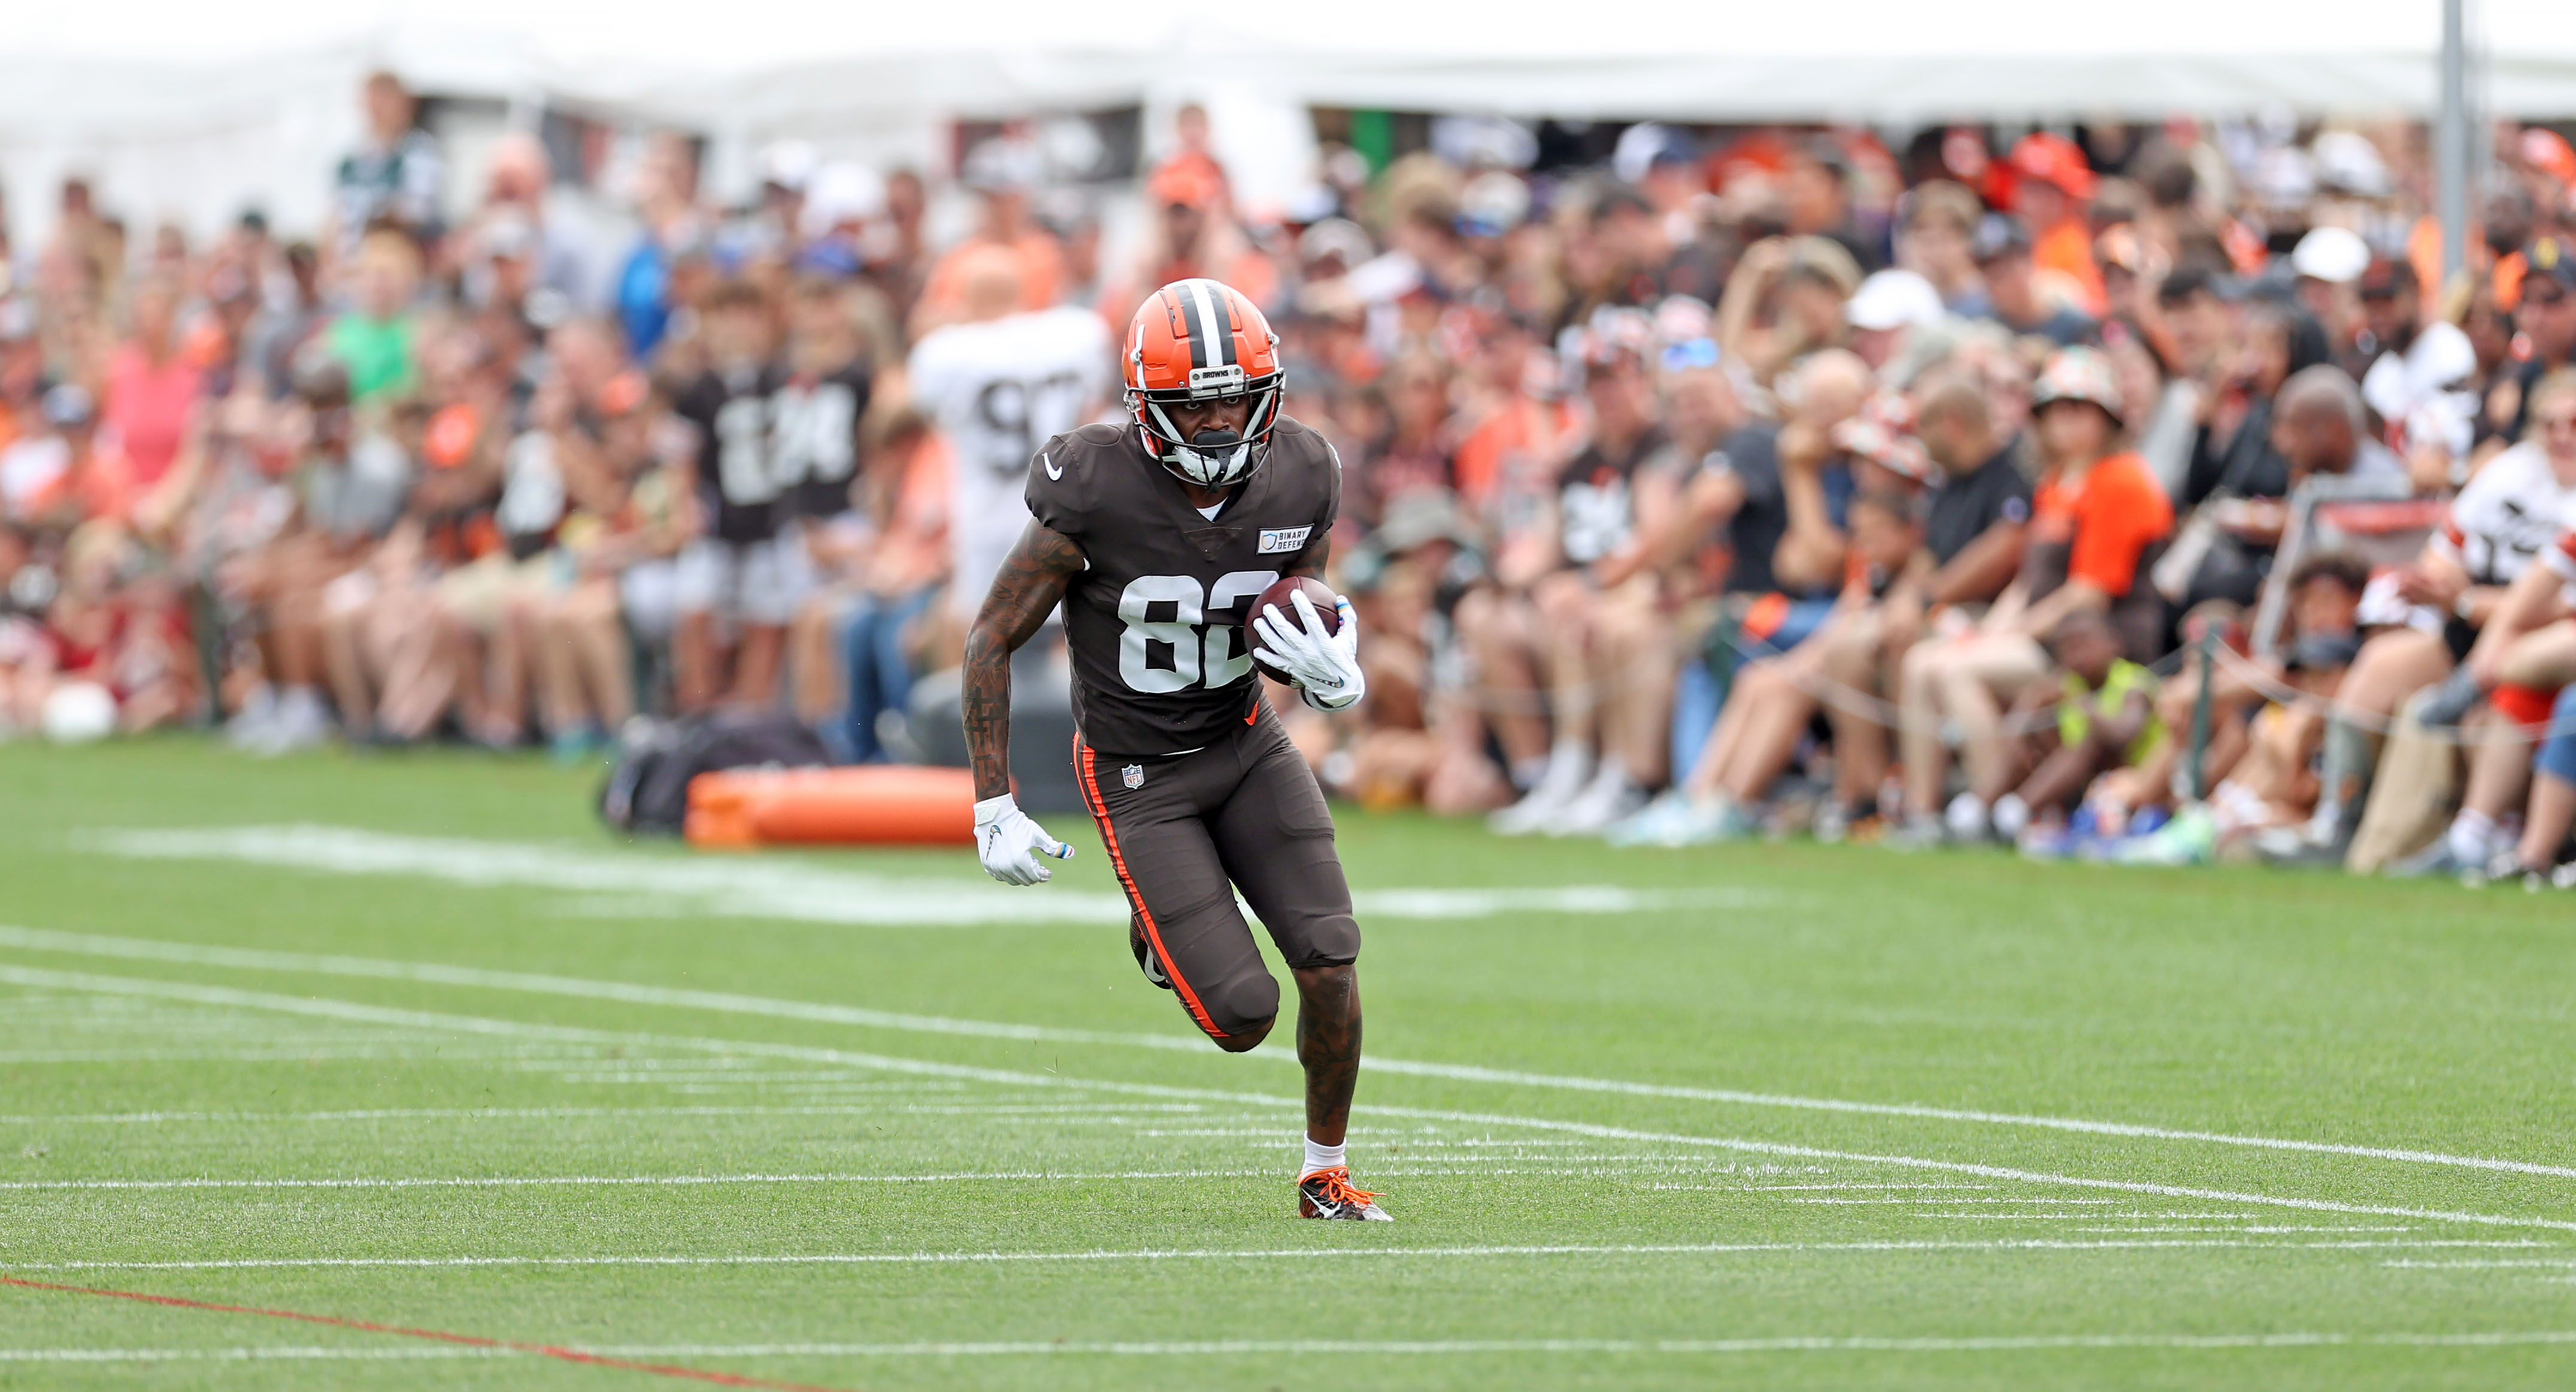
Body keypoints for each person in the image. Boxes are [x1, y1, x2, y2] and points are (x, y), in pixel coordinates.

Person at [961, 278, 1387, 1222]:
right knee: (1241, 1016)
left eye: (1236, 395)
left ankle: (1326, 1172)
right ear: (1147, 407)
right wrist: (994, 802)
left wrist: (1329, 673)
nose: (1219, 417)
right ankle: (1155, 919)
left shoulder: (1303, 470)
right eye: (1194, 401)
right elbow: (990, 637)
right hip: (1136, 774)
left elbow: (1293, 610)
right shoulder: (1094, 484)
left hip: (1245, 742)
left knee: (1328, 954)